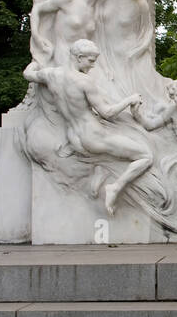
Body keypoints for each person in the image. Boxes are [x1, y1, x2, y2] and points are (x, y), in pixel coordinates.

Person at [25, 39, 152, 215]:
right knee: (145, 155)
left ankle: (100, 174)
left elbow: (28, 74)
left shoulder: (50, 74)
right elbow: (107, 112)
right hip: (92, 136)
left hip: (73, 138)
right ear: (79, 57)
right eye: (91, 61)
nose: (93, 66)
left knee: (107, 156)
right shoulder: (84, 82)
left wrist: (36, 61)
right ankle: (115, 188)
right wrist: (129, 100)